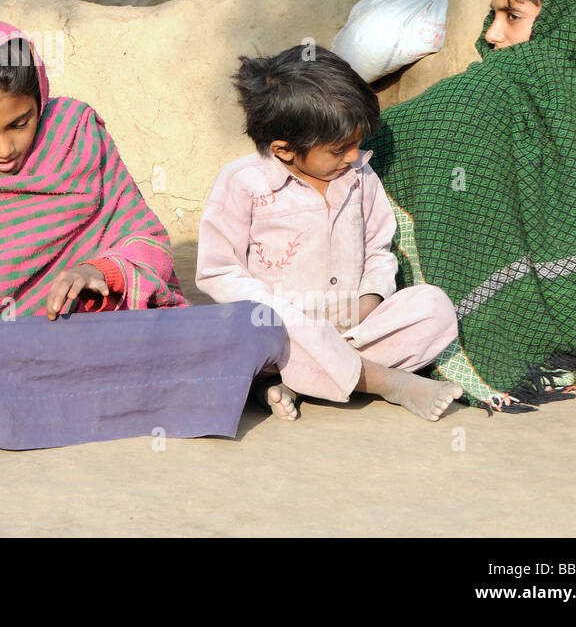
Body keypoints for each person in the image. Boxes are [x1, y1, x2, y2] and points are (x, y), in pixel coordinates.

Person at [370, 0, 576, 410]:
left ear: (569, 22)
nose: (494, 34)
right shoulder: (510, 85)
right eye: (494, 14)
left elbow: (402, 129)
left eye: (512, 18)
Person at [196, 45, 463, 421]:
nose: (353, 156)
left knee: (433, 307)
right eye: (340, 149)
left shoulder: (359, 176)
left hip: (353, 326)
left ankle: (308, 379)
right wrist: (290, 315)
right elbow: (218, 272)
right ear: (285, 150)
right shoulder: (242, 183)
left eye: (357, 144)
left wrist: (371, 297)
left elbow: (378, 246)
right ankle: (390, 383)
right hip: (282, 333)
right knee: (279, 333)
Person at [0, 20, 186, 323]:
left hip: (94, 332)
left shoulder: (75, 136)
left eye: (19, 124)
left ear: (40, 98)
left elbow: (147, 242)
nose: (4, 149)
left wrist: (98, 271)